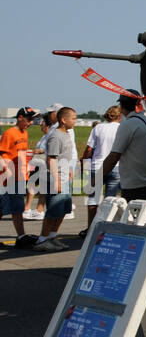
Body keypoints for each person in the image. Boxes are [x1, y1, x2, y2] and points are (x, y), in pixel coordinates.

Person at [100, 91, 146, 202]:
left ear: (122, 106)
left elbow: (114, 156)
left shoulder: (128, 125)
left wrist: (97, 177)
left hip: (133, 184)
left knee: (132, 217)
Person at [35, 107, 78, 252]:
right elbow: (51, 159)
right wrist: (57, 180)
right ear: (63, 120)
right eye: (73, 118)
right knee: (53, 211)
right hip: (56, 178)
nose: (75, 121)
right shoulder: (55, 136)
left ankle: (52, 237)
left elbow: (65, 156)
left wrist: (70, 170)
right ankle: (42, 240)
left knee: (63, 210)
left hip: (65, 176)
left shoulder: (66, 134)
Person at [81, 105, 123, 235]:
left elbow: (89, 149)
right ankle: (107, 228)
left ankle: (91, 228)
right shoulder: (121, 128)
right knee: (110, 200)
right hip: (115, 166)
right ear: (119, 116)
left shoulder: (98, 127)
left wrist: (84, 163)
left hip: (97, 166)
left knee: (93, 199)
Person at [0, 107, 37, 245]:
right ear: (20, 118)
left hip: (20, 175)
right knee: (16, 207)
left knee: (13, 207)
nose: (31, 122)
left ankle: (21, 236)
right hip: (9, 177)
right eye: (29, 119)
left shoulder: (24, 133)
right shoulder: (10, 133)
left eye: (32, 119)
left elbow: (21, 152)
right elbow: (2, 154)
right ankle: (21, 236)